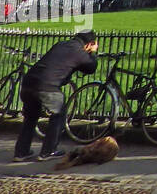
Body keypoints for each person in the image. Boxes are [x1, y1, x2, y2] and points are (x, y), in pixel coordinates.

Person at [13, 31, 99, 162]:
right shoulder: (80, 52)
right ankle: (48, 151)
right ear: (89, 44)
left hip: (28, 82)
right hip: (47, 86)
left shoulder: (61, 44)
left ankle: (20, 153)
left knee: (30, 117)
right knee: (59, 114)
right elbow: (91, 68)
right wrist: (93, 53)